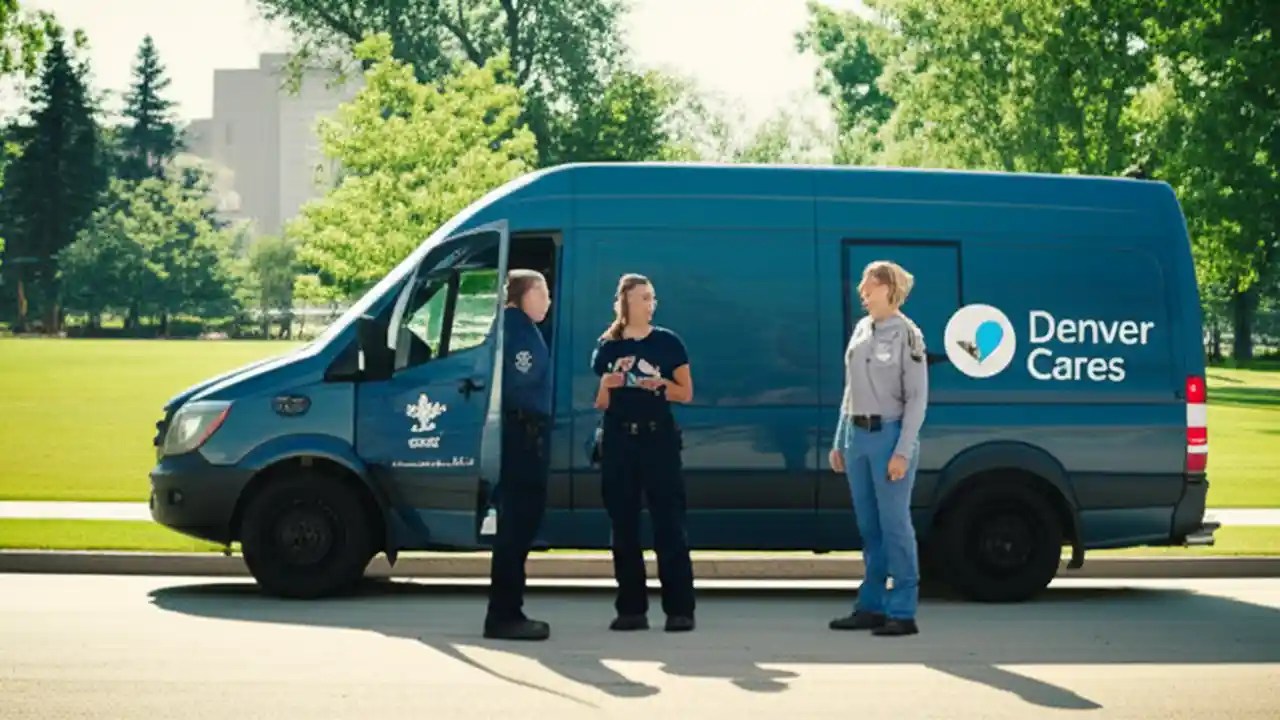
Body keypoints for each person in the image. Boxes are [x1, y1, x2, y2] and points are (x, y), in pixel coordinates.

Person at [590, 273, 697, 632]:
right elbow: (601, 403)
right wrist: (607, 384)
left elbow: (686, 393)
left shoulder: (668, 343)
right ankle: (631, 609)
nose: (651, 304)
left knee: (669, 523)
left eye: (652, 298)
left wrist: (661, 385)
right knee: (623, 525)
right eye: (644, 298)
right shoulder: (607, 346)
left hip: (658, 440)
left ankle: (680, 610)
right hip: (619, 440)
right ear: (626, 303)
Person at [828, 260, 929, 637]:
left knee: (895, 525)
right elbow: (850, 389)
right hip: (857, 437)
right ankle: (871, 606)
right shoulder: (861, 328)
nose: (862, 291)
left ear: (888, 289)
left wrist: (902, 451)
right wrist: (840, 439)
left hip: (889, 435)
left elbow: (917, 399)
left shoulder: (908, 334)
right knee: (870, 527)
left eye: (869, 285)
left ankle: (903, 611)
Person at [484, 269, 554, 641]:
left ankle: (509, 610)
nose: (548, 301)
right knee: (516, 526)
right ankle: (504, 615)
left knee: (521, 525)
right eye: (542, 293)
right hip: (520, 435)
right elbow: (519, 384)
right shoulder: (516, 331)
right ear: (522, 295)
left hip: (526, 434)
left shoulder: (522, 327)